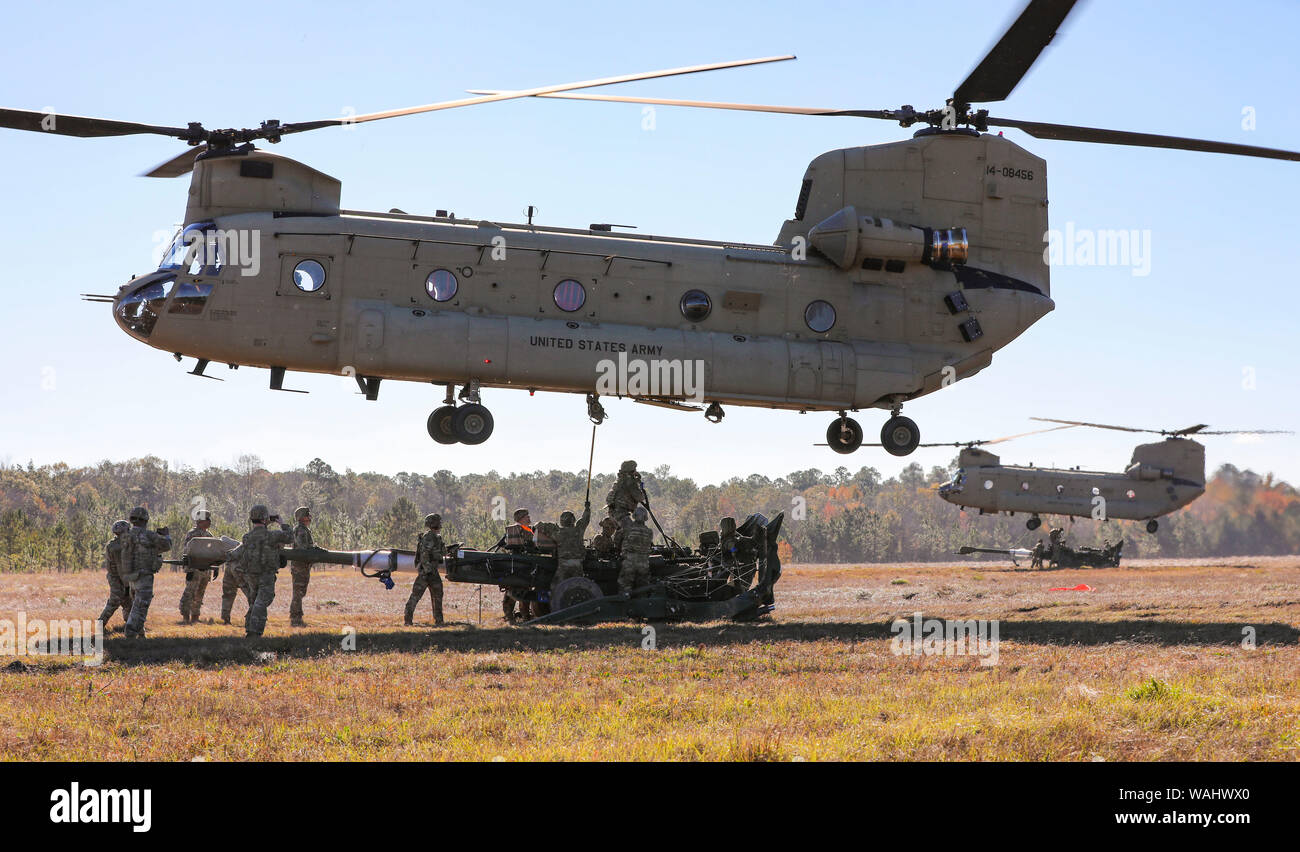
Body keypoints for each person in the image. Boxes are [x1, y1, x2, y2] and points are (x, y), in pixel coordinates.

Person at [238, 505, 293, 638]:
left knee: (254, 601)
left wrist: (265, 523)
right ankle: (254, 632)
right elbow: (290, 538)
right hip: (266, 574)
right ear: (264, 519)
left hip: (251, 575)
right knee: (261, 601)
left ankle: (249, 629)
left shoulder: (247, 537)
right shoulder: (273, 535)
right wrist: (282, 523)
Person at [120, 507, 172, 639]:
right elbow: (167, 545)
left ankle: (141, 633)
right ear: (145, 520)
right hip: (144, 576)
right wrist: (166, 535)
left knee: (136, 604)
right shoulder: (149, 535)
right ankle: (130, 633)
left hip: (131, 576)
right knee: (141, 606)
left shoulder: (127, 535)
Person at [405, 513, 446, 626]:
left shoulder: (437, 538)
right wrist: (428, 571)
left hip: (431, 572)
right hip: (426, 573)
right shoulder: (428, 538)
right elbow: (424, 556)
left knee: (438, 596)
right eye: (438, 522)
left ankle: (439, 621)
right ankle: (408, 620)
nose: (439, 524)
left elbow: (442, 552)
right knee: (416, 596)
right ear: (434, 523)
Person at [178, 511, 215, 624]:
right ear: (200, 521)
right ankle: (185, 616)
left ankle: (195, 616)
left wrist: (215, 567)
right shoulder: (192, 534)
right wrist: (189, 569)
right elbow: (187, 551)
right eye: (207, 519)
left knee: (200, 593)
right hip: (194, 569)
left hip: (205, 570)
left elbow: (213, 552)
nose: (209, 522)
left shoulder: (209, 535)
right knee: (190, 592)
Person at [97, 520, 133, 628]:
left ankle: (129, 624)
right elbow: (121, 567)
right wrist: (126, 585)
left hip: (118, 577)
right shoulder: (118, 547)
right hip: (117, 578)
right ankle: (100, 625)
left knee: (128, 601)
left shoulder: (114, 544)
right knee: (115, 601)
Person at [502, 508, 534, 622]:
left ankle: (510, 618)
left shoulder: (511, 530)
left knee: (510, 593)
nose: (529, 518)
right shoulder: (526, 530)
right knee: (524, 594)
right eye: (526, 516)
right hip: (524, 566)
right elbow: (533, 546)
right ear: (521, 518)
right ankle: (525, 618)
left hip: (512, 565)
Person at [551, 502, 592, 587]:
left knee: (557, 588)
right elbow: (585, 519)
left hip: (563, 565)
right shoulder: (579, 530)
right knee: (577, 587)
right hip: (577, 565)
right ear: (573, 520)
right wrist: (587, 508)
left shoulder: (558, 533)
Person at [288, 507, 315, 627]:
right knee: (298, 592)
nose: (310, 517)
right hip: (300, 566)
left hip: (302, 565)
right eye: (307, 515)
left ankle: (296, 615)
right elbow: (303, 548)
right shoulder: (301, 531)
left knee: (300, 592)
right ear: (302, 517)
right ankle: (295, 617)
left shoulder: (303, 529)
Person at [617, 505, 653, 595]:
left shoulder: (629, 528)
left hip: (630, 562)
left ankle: (625, 601)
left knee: (625, 587)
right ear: (645, 518)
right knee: (642, 589)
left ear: (635, 516)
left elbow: (618, 540)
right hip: (644, 564)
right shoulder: (649, 532)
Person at [604, 460, 644, 530]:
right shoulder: (630, 482)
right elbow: (640, 497)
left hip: (613, 513)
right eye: (634, 469)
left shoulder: (619, 481)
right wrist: (640, 484)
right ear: (631, 470)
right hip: (621, 514)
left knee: (622, 534)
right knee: (632, 532)